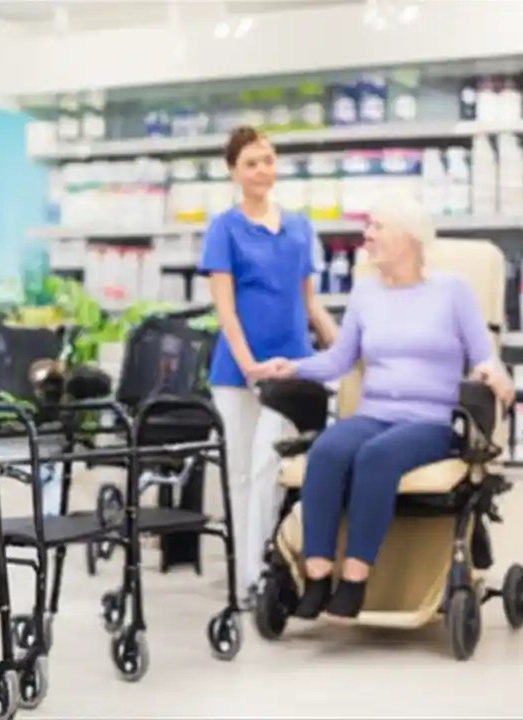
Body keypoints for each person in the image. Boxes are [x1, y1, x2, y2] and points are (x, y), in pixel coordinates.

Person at [259, 192, 514, 620]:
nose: (368, 236)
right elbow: (339, 360)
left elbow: (483, 355)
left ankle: (355, 580)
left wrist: (496, 375)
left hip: (432, 420)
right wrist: (294, 367)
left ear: (408, 237)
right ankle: (318, 576)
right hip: (374, 413)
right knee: (328, 451)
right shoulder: (365, 293)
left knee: (377, 457)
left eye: (377, 227)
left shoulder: (451, 291)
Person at [198, 126, 339, 604]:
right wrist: (250, 366)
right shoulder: (224, 228)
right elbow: (226, 312)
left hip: (292, 370)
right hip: (237, 373)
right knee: (239, 474)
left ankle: (263, 573)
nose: (262, 170)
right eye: (251, 163)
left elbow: (310, 303)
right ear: (234, 172)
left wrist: (345, 349)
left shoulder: (299, 227)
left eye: (268, 160)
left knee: (270, 469)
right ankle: (245, 581)